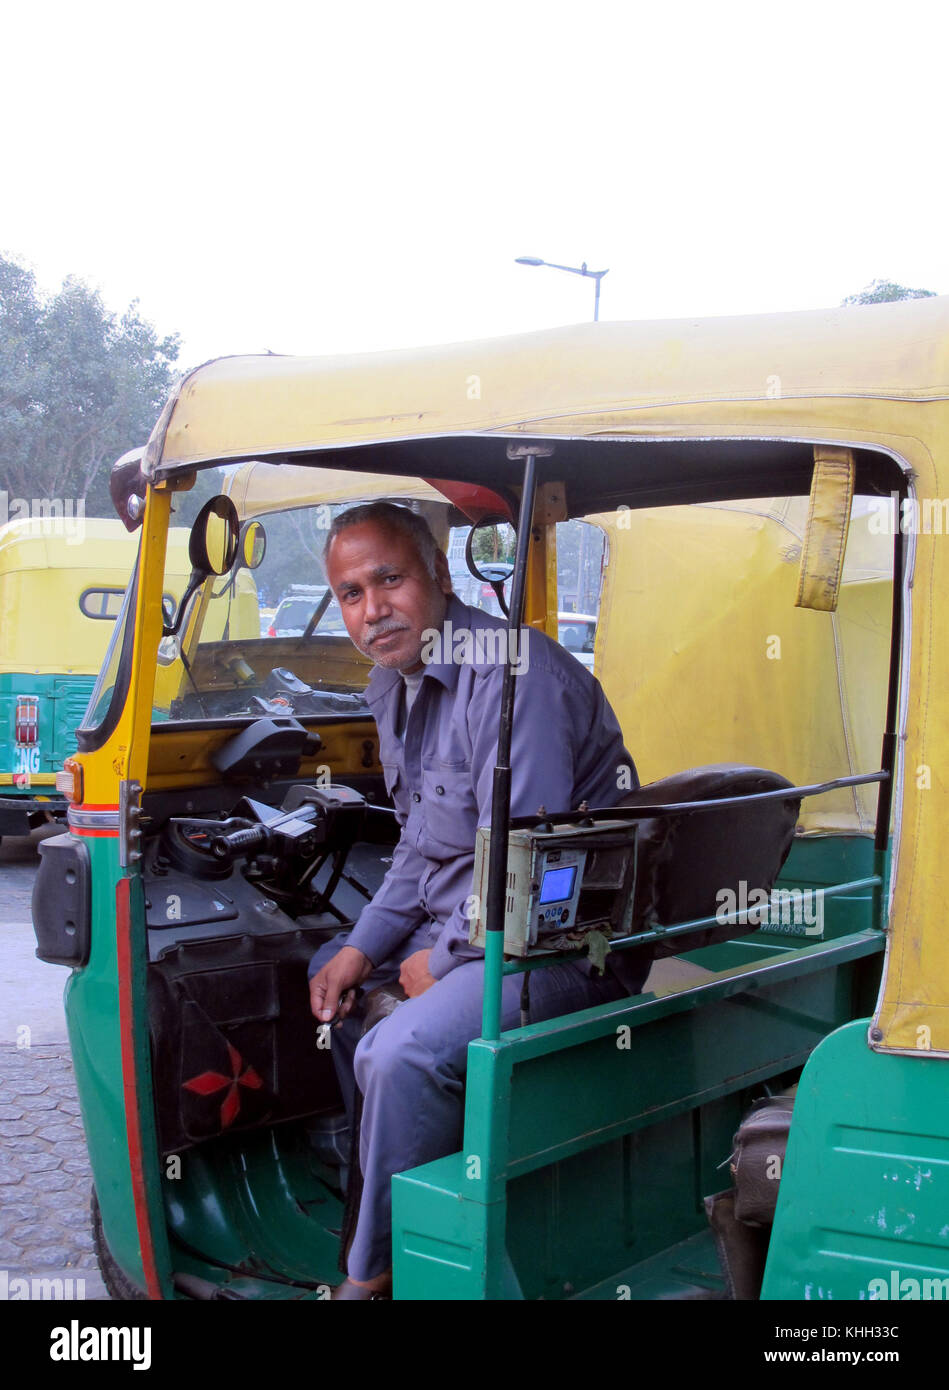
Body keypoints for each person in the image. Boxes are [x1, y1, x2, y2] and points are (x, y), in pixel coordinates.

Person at [307, 502, 645, 1299]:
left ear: (436, 574)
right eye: (350, 593)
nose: (371, 608)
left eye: (387, 579)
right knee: (327, 970)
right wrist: (361, 946)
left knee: (399, 1049)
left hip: (563, 941)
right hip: (474, 921)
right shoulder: (392, 686)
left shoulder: (510, 675)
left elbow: (525, 859)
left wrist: (443, 956)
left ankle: (380, 1270)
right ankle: (395, 1180)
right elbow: (423, 844)